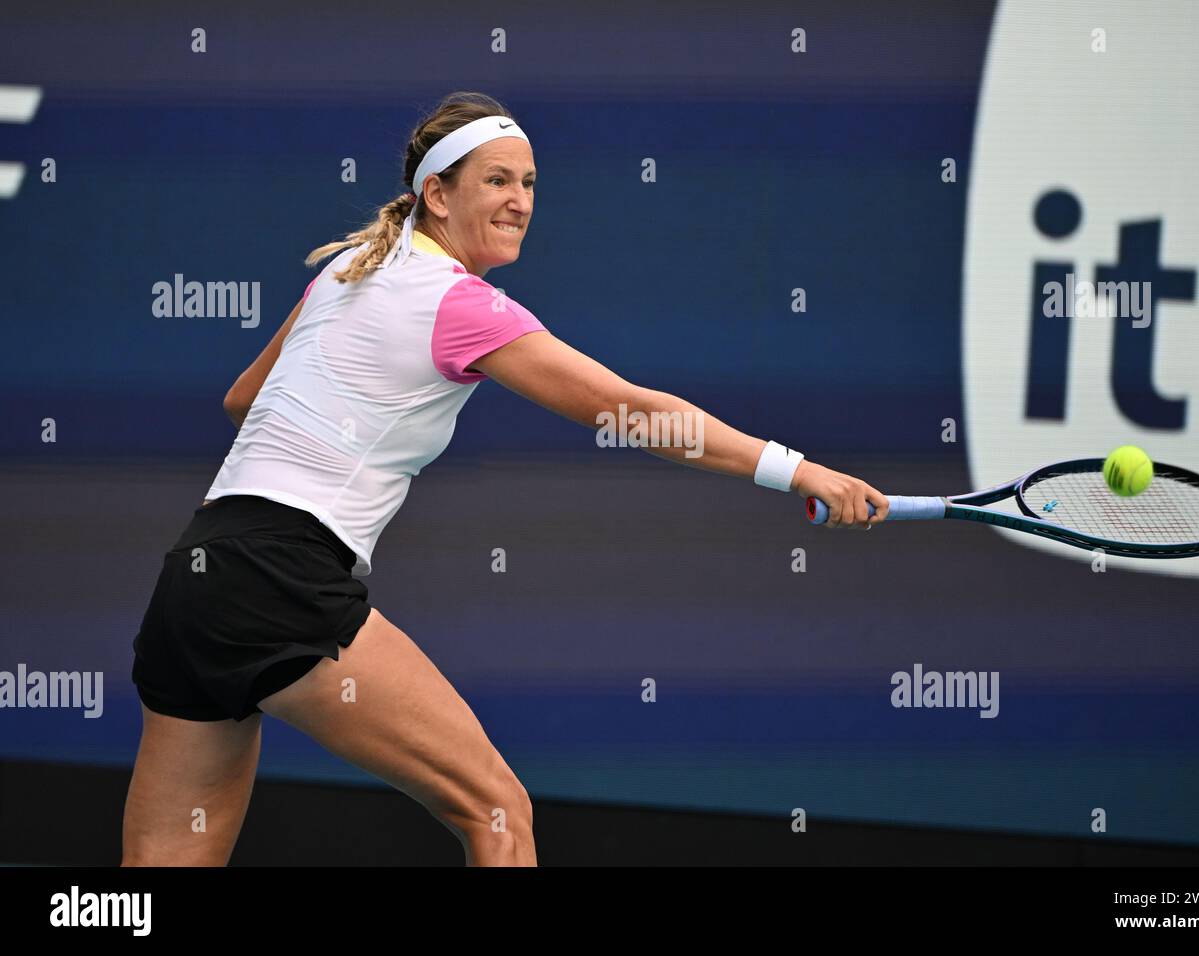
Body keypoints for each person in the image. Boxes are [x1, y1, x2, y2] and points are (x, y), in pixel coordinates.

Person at [122, 91, 888, 868]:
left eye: (528, 184)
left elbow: (242, 399)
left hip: (195, 579)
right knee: (497, 814)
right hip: (284, 576)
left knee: (162, 864)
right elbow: (629, 411)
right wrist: (796, 470)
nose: (519, 201)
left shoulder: (343, 276)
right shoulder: (461, 304)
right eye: (496, 181)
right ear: (438, 195)